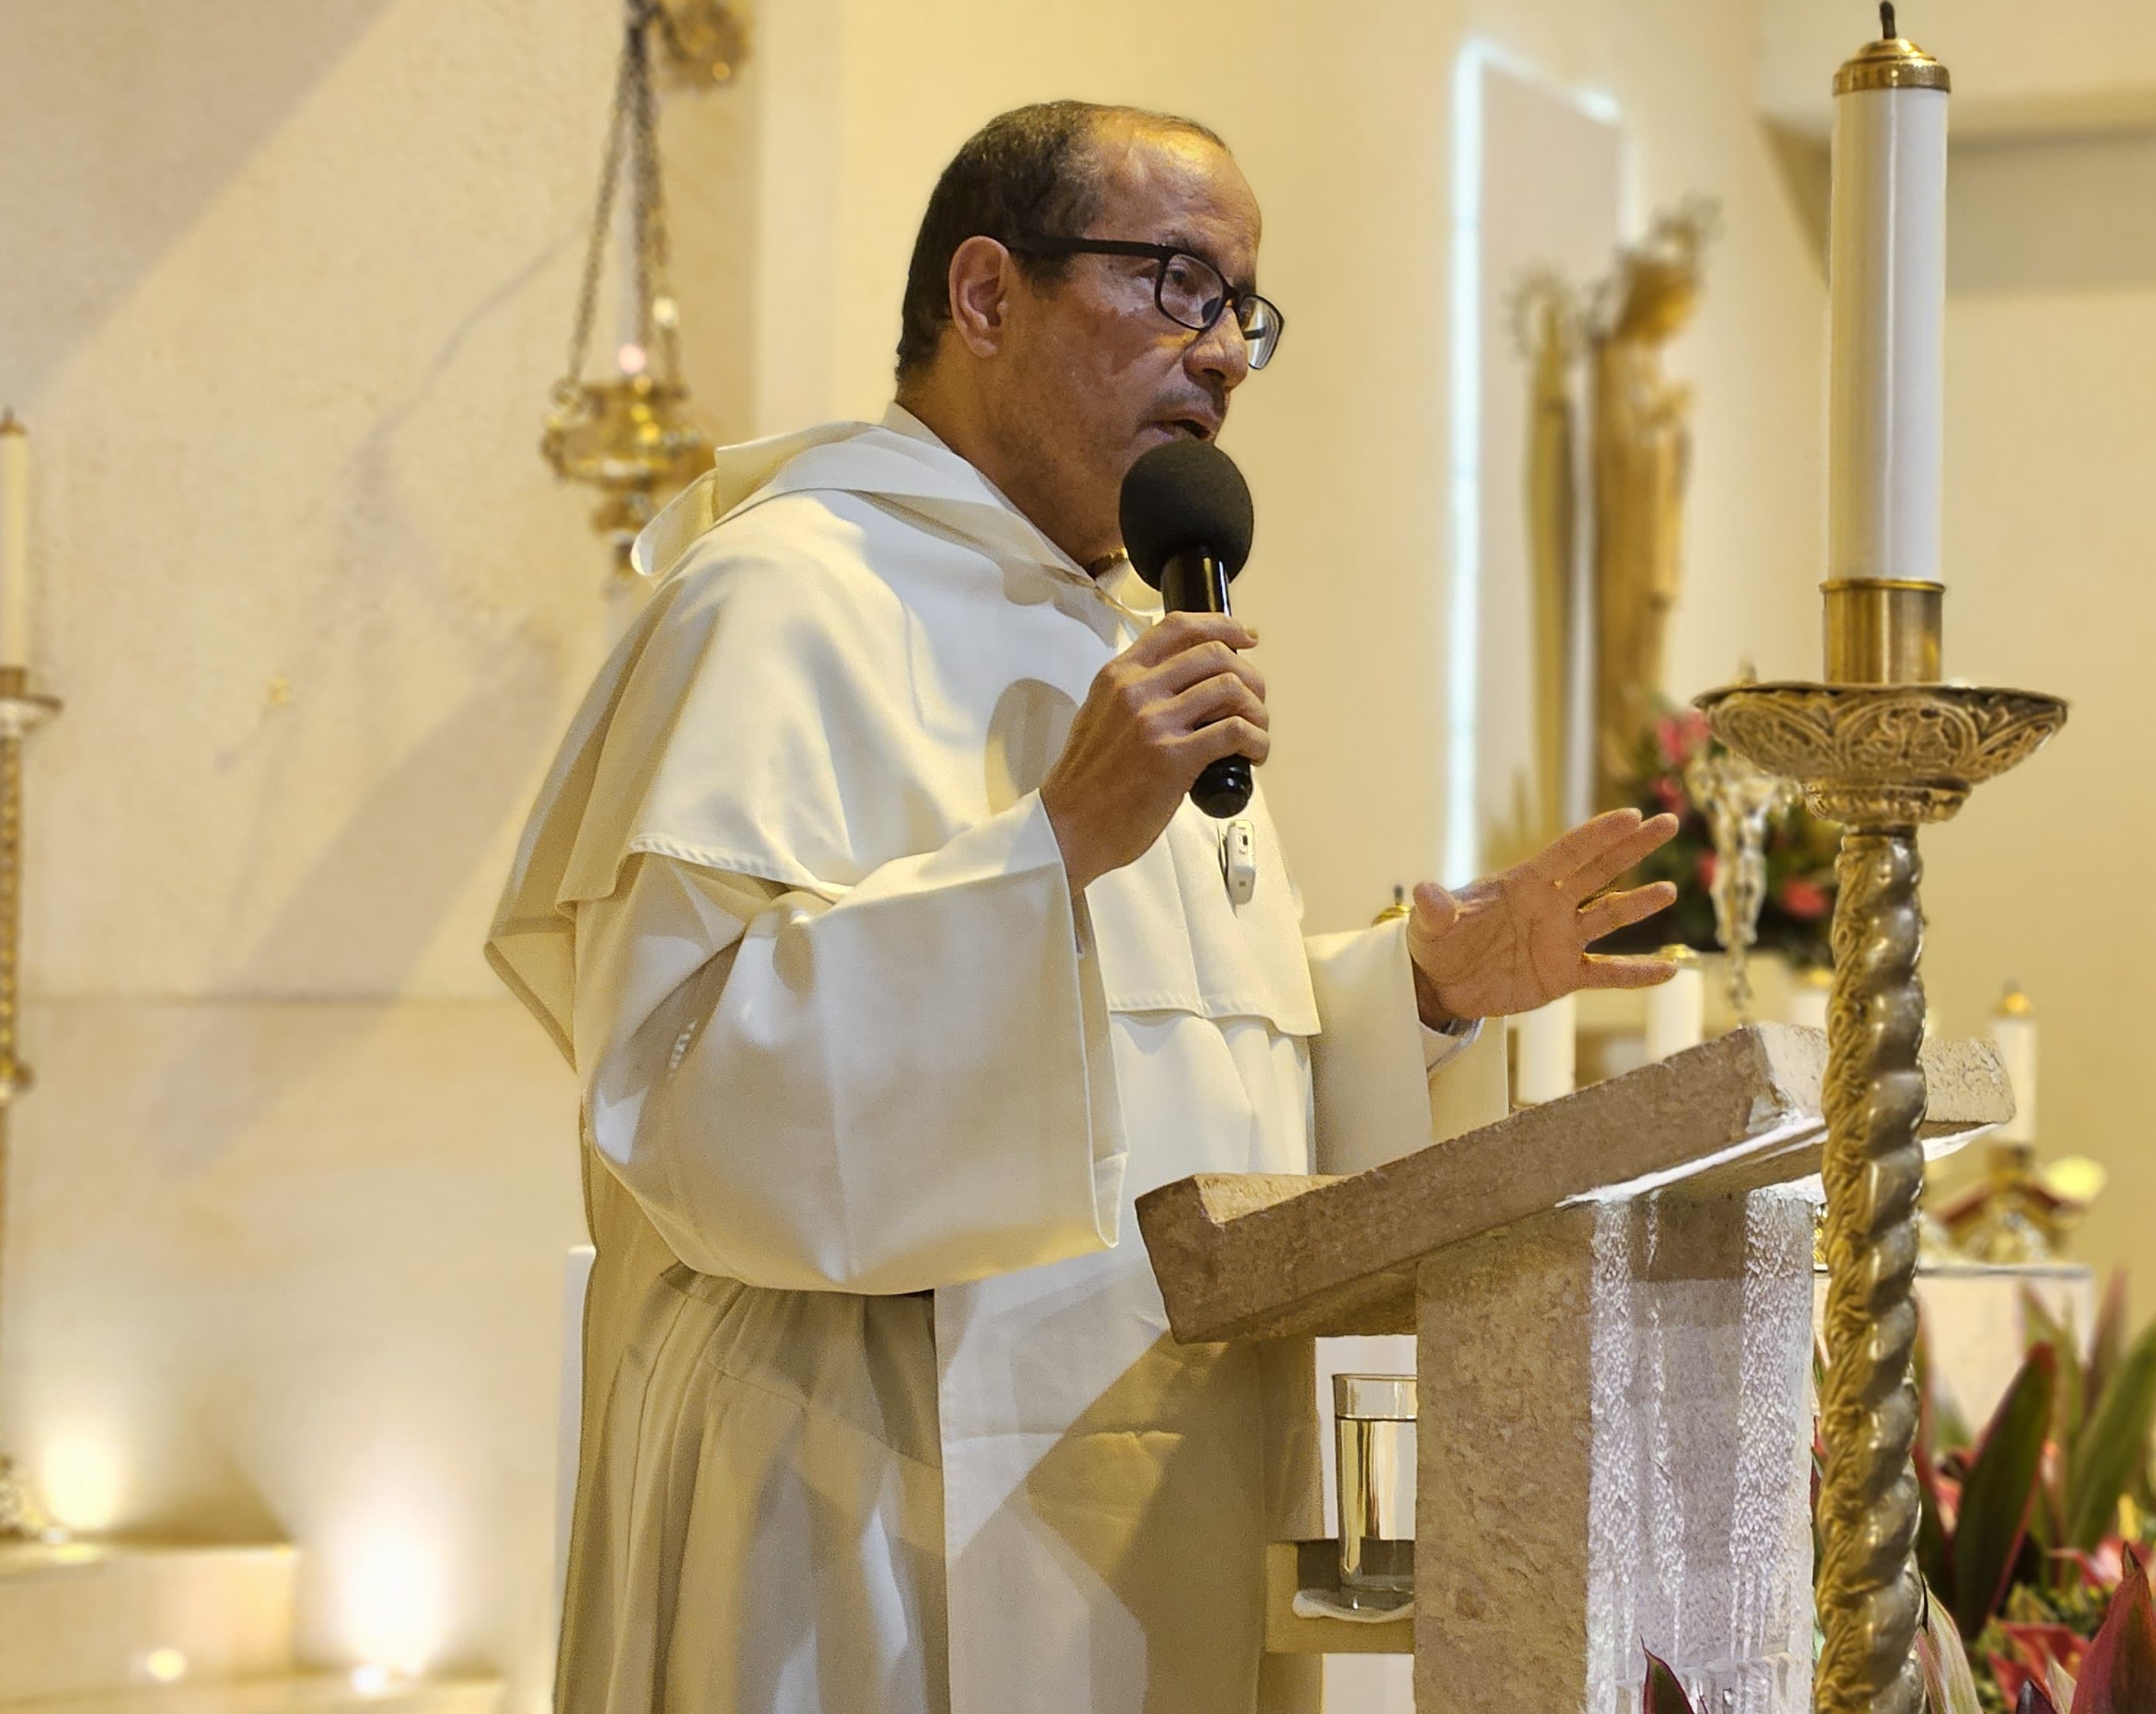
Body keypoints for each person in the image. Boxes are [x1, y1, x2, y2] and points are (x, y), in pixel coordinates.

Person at [486, 100, 1680, 1714]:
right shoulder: (780, 598)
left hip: (1151, 1493)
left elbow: (1170, 1079)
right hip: (870, 1514)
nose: (1222, 354)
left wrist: (1410, 993)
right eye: (1172, 283)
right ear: (987, 296)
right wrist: (1047, 845)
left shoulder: (1111, 633)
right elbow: (692, 1092)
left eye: (1240, 308)